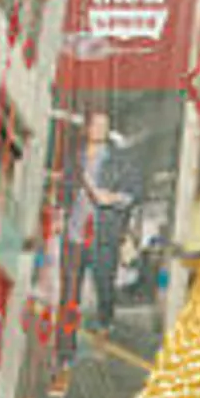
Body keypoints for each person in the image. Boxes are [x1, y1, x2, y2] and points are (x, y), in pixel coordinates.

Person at [58, 109, 139, 365]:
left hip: (104, 236)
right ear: (88, 128)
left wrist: (111, 198)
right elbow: (64, 190)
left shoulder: (120, 161)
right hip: (74, 235)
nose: (100, 130)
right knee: (69, 295)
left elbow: (132, 194)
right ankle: (65, 352)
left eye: (105, 126)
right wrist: (61, 213)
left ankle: (105, 324)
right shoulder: (75, 159)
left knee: (104, 288)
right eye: (96, 125)